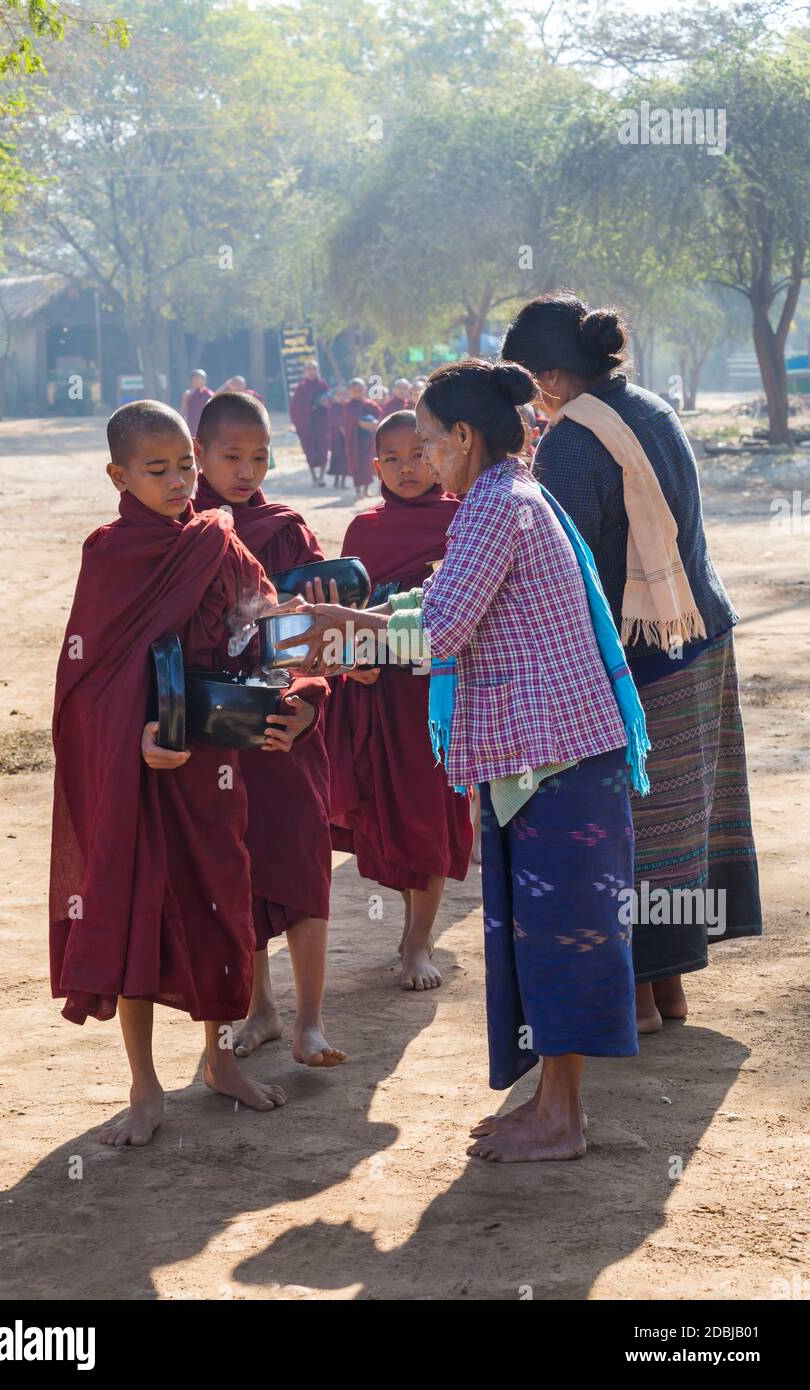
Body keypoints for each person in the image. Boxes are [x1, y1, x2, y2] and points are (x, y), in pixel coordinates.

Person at [270, 359, 649, 1163]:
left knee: (562, 936)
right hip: (551, 750)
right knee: (543, 934)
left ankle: (563, 1118)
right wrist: (353, 619)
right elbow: (445, 600)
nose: (427, 454)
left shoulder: (493, 506)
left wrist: (345, 632)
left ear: (465, 438)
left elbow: (440, 631)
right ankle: (551, 1105)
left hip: (558, 754)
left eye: (433, 439)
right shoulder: (504, 495)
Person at [502, 293, 762, 1034]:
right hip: (699, 629)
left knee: (632, 824)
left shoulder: (575, 444)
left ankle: (642, 1001)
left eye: (528, 385)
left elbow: (563, 568)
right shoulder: (648, 405)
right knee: (683, 816)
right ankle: (671, 991)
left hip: (639, 652)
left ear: (550, 376)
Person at [49, 399, 287, 1148]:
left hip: (210, 765)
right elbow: (87, 683)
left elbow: (265, 622)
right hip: (135, 778)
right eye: (159, 470)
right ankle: (144, 1084)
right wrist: (138, 738)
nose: (182, 481)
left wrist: (302, 691)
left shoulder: (218, 541)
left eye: (187, 464)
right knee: (136, 918)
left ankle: (217, 1060)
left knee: (219, 903)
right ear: (118, 474)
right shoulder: (108, 553)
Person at [193, 390, 344, 1067]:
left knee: (303, 865)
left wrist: (311, 698)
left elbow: (308, 632)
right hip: (217, 731)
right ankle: (262, 1011)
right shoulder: (182, 530)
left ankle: (312, 1020)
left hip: (286, 725)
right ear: (199, 455)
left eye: (259, 457)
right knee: (237, 872)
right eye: (231, 457)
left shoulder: (285, 529)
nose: (247, 471)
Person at [325, 410, 473, 990]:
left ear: (437, 455)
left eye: (418, 454)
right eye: (393, 459)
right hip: (377, 693)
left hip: (435, 693)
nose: (407, 468)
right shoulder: (363, 529)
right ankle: (409, 929)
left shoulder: (462, 519)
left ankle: (418, 941)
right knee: (389, 810)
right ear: (375, 465)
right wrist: (353, 662)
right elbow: (348, 613)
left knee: (431, 812)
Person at [289, 359, 330, 487]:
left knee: (323, 449)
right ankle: (314, 477)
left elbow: (330, 402)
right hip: (307, 423)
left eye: (314, 369)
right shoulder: (301, 387)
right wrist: (308, 407)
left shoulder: (323, 385)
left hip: (321, 422)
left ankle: (322, 478)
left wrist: (325, 403)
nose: (312, 372)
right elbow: (295, 406)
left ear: (318, 370)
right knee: (309, 449)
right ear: (304, 372)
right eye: (309, 369)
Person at [343, 378, 380, 499]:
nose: (357, 393)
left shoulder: (370, 404)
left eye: (360, 390)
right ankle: (358, 490)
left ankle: (366, 489)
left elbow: (380, 415)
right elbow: (349, 420)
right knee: (356, 464)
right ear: (350, 392)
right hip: (354, 440)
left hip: (368, 440)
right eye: (354, 391)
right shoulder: (348, 406)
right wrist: (361, 424)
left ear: (364, 390)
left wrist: (375, 424)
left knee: (367, 464)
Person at [327, 384, 350, 488]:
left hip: (346, 438)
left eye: (344, 395)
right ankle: (336, 481)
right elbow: (333, 421)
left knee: (345, 459)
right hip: (336, 438)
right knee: (336, 458)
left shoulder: (347, 407)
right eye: (339, 395)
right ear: (335, 396)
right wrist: (341, 428)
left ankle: (342, 482)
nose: (341, 397)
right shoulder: (333, 407)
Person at [180, 369, 213, 438]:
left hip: (205, 422)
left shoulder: (208, 393)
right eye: (196, 378)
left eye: (202, 378)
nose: (199, 380)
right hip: (192, 422)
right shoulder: (188, 394)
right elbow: (184, 409)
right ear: (192, 379)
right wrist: (180, 422)